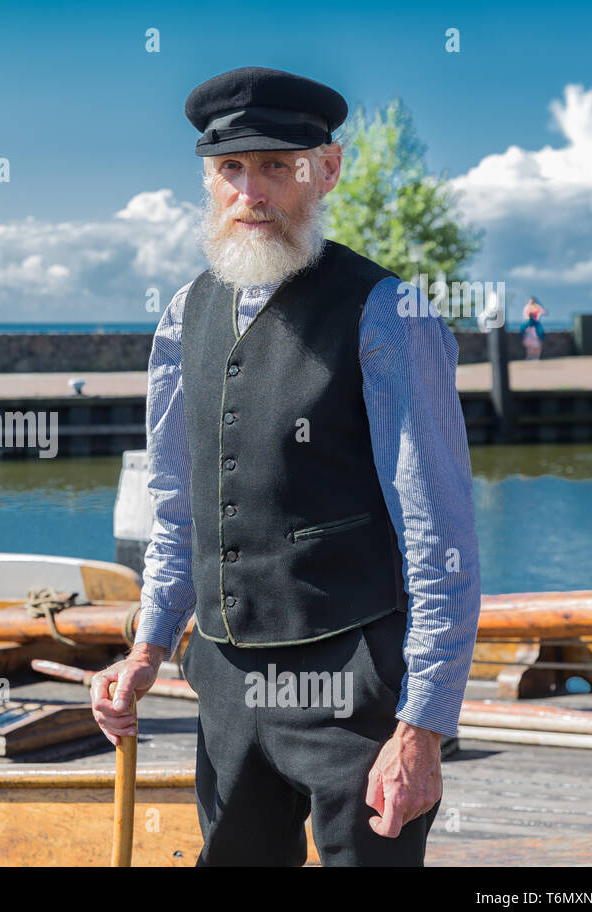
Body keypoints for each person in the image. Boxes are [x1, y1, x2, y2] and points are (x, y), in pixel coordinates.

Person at [89, 67, 481, 866]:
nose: (252, 189)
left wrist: (424, 727)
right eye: (232, 169)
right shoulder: (182, 315)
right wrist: (148, 647)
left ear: (326, 170)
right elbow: (176, 508)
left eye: (278, 165)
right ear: (209, 179)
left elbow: (440, 536)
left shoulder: (387, 314)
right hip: (227, 682)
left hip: (355, 684)